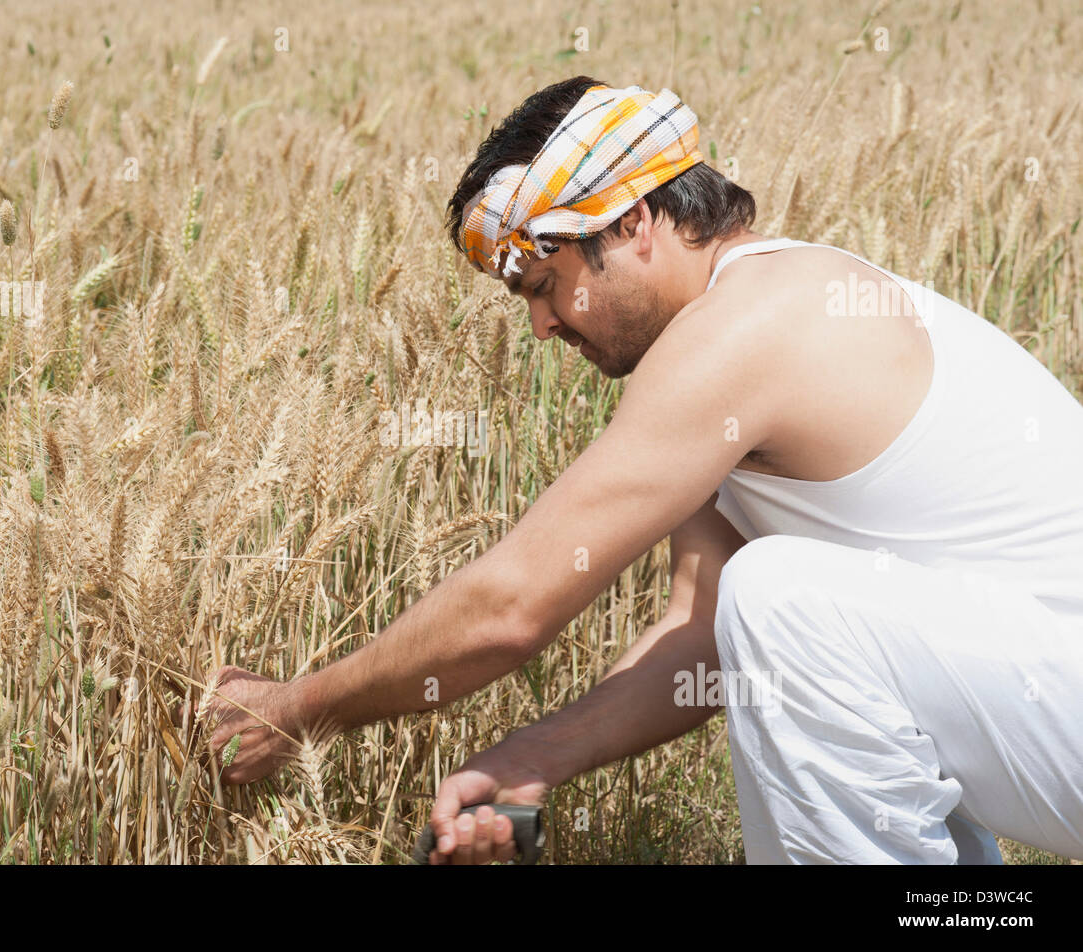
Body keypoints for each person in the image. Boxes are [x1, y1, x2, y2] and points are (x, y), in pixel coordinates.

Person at [201, 76, 1083, 865]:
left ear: (632, 223)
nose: (542, 329)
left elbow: (512, 607)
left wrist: (294, 706)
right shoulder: (754, 322)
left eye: (545, 287)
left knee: (779, 596)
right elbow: (704, 634)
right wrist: (531, 757)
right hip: (1047, 699)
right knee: (766, 604)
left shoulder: (743, 332)